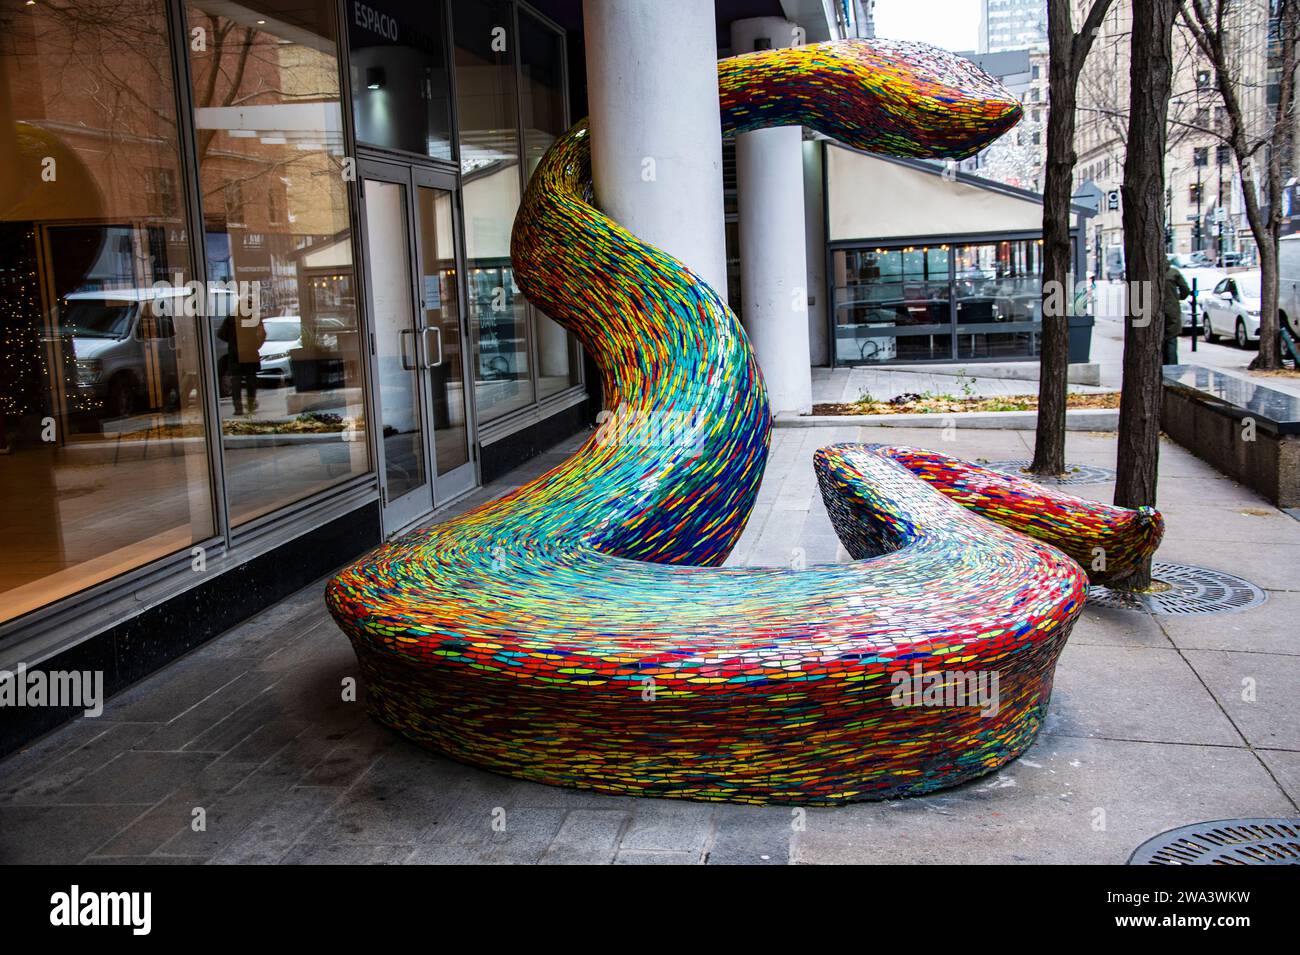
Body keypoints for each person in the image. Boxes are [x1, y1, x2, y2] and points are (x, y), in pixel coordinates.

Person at [218, 314, 265, 414]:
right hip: (250, 352)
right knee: (251, 379)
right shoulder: (253, 316)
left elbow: (221, 334)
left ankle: (238, 408)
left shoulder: (231, 318)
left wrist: (232, 341)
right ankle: (251, 405)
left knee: (236, 380)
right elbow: (262, 334)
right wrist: (256, 344)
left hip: (235, 354)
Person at [1163, 264, 1191, 365]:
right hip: (1172, 309)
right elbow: (1186, 290)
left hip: (1155, 310)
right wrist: (1175, 298)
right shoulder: (1173, 272)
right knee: (1171, 339)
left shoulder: (1151, 272)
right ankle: (1172, 368)